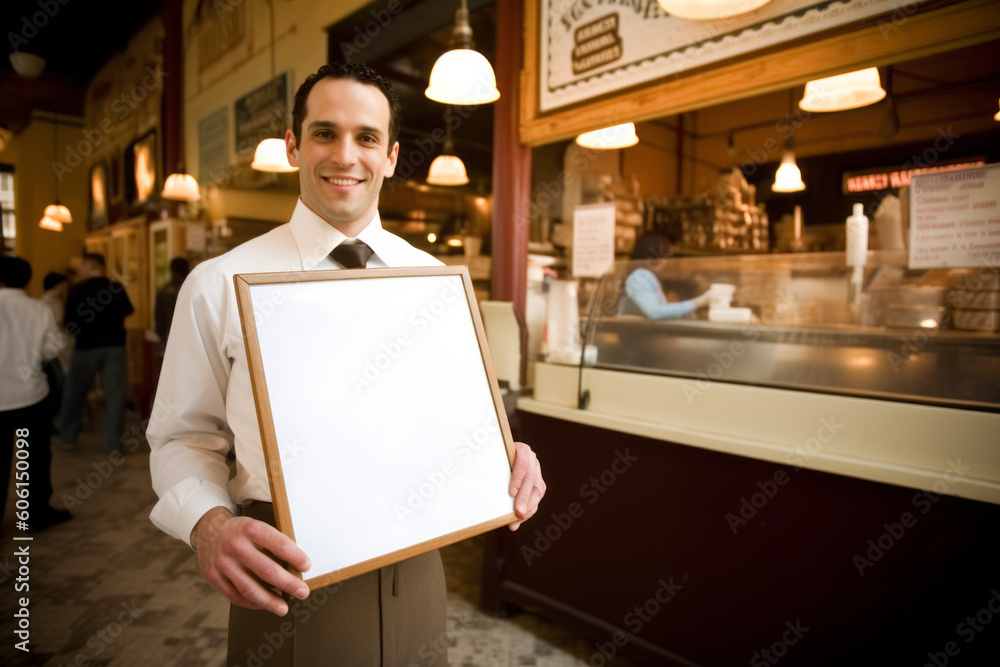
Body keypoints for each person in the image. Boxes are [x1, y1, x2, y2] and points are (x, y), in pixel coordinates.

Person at [146, 63, 546, 666]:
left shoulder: (436, 283)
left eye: (366, 137)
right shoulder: (217, 283)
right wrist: (208, 526)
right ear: (293, 146)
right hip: (288, 569)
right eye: (324, 133)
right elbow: (181, 438)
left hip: (419, 567)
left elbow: (450, 419)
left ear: (390, 156)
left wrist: (505, 453)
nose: (345, 155)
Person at [0, 256, 73, 532]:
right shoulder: (38, 309)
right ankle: (35, 513)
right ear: (28, 279)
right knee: (35, 457)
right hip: (30, 395)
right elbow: (51, 351)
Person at [59, 253, 134, 453]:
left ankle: (68, 436)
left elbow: (69, 324)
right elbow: (128, 311)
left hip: (85, 348)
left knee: (75, 391)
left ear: (88, 265)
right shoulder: (116, 288)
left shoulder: (77, 290)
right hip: (114, 347)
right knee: (115, 396)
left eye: (81, 265)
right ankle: (113, 445)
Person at [619, 231, 711, 319]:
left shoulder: (646, 276)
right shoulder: (639, 276)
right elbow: (655, 312)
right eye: (664, 255)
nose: (665, 261)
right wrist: (700, 302)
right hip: (637, 334)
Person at [154, 257, 190, 355]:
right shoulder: (192, 288)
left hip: (171, 338)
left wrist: (162, 339)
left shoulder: (164, 291)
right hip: (191, 337)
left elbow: (159, 319)